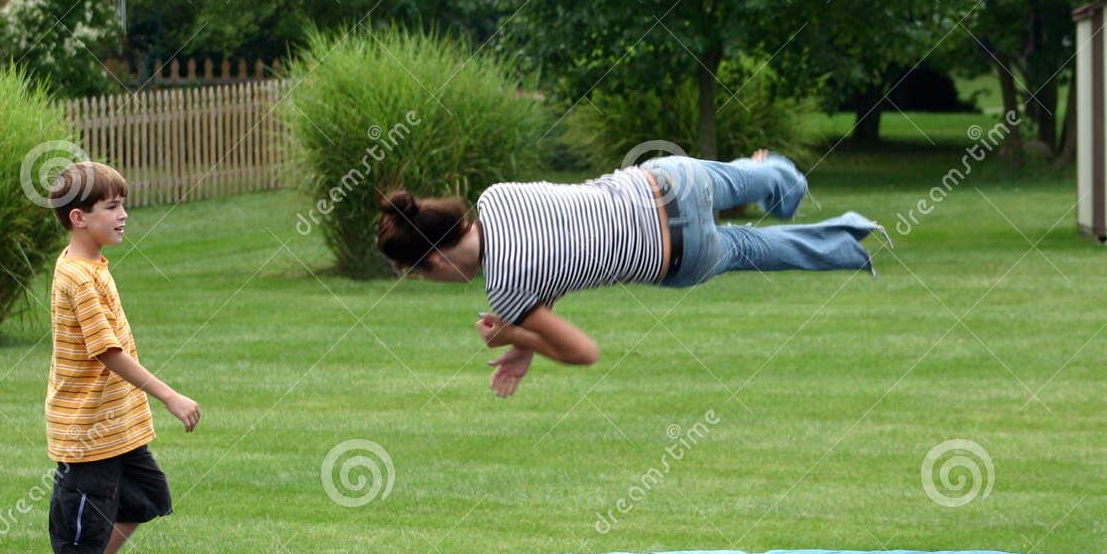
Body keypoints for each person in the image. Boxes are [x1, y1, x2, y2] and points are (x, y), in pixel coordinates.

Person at [376, 150, 886, 396]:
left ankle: (847, 244)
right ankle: (780, 180)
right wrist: (523, 342)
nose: (430, 284)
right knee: (758, 175)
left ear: (436, 261)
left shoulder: (507, 292)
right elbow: (554, 245)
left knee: (760, 248)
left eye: (420, 276)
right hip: (669, 182)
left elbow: (584, 352)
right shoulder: (498, 195)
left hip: (683, 254)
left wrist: (516, 334)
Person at [42, 160, 200, 554]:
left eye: (123, 204)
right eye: (113, 207)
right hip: (88, 431)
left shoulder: (95, 267)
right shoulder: (78, 278)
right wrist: (170, 396)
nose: (124, 214)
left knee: (144, 500)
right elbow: (107, 351)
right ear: (79, 218)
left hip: (120, 427)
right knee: (75, 540)